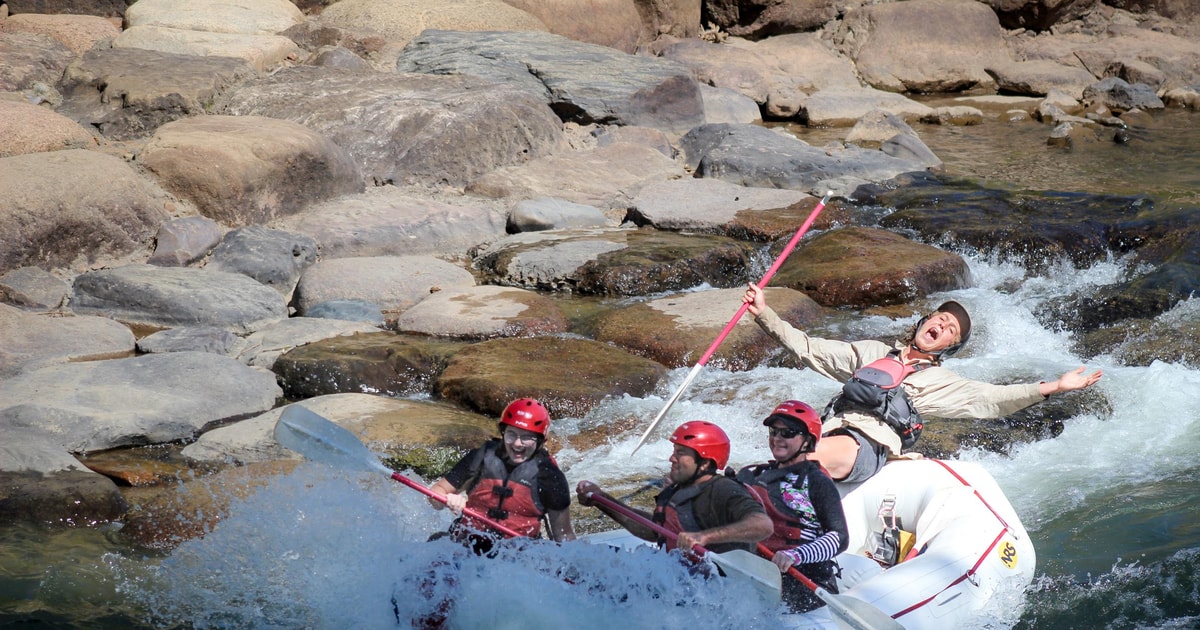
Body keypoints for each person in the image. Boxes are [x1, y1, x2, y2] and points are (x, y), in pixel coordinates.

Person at [743, 282, 1104, 483]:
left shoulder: (941, 381)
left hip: (869, 447)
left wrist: (1054, 387)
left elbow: (992, 399)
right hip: (829, 430)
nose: (942, 327)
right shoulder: (870, 351)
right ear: (922, 322)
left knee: (804, 457)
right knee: (788, 428)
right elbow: (808, 348)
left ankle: (767, 487)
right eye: (940, 319)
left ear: (951, 345)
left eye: (951, 330)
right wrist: (764, 313)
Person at [576, 420, 773, 555]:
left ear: (704, 463)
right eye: (674, 452)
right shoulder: (677, 490)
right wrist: (602, 500)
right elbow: (653, 531)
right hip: (678, 575)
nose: (672, 458)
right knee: (587, 554)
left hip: (713, 587)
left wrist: (704, 536)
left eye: (681, 453)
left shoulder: (723, 489)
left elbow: (762, 525)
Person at [735, 400, 848, 614]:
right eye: (774, 431)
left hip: (804, 579)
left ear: (807, 441)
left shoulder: (817, 481)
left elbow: (839, 537)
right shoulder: (753, 474)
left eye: (788, 433)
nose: (777, 438)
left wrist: (795, 555)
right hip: (756, 571)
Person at [428, 398, 576, 554]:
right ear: (503, 433)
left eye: (527, 437)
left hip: (518, 554)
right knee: (437, 540)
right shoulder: (480, 458)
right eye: (512, 434)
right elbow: (435, 495)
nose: (517, 444)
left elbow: (563, 535)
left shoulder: (550, 477)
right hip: (468, 545)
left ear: (541, 442)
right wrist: (447, 499)